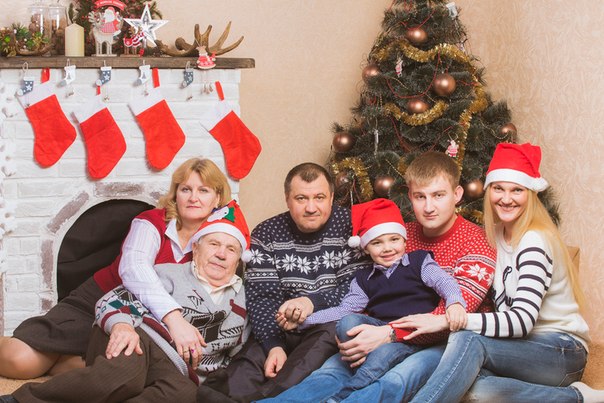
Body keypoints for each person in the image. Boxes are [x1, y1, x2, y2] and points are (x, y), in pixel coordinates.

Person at [264, 151, 497, 402]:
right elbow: (371, 289)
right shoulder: (397, 234)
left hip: (446, 344)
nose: (429, 207)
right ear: (410, 196)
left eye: (438, 195)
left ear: (457, 194)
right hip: (381, 333)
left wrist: (388, 333)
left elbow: (454, 314)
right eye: (420, 197)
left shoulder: (478, 242)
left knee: (396, 379)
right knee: (330, 373)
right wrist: (357, 332)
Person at [0, 157, 231, 379]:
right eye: (186, 189)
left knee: (123, 373)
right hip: (98, 302)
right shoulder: (151, 222)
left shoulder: (222, 240)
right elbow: (134, 269)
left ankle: (63, 360)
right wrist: (174, 319)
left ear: (217, 198)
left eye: (203, 190)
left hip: (144, 324)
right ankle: (47, 353)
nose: (193, 198)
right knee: (19, 361)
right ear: (176, 193)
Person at [408, 143, 604, 403]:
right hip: (519, 349)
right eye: (498, 188)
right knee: (473, 388)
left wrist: (448, 320)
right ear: (489, 191)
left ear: (530, 194)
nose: (506, 198)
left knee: (468, 340)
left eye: (517, 190)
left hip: (562, 351)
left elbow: (522, 321)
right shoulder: (496, 234)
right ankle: (575, 397)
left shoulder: (534, 241)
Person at [4, 200, 251, 403]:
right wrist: (122, 325)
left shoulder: (243, 301)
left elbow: (237, 356)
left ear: (239, 259)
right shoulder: (168, 274)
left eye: (231, 249)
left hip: (178, 368)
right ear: (196, 249)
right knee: (124, 376)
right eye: (214, 244)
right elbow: (112, 299)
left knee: (183, 395)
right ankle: (22, 400)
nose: (221, 254)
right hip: (138, 336)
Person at [201, 162, 365, 402]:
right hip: (280, 324)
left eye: (319, 197)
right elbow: (261, 296)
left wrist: (311, 302)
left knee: (312, 353)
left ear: (331, 198)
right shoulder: (267, 232)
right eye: (301, 198)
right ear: (287, 199)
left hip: (327, 324)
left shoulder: (352, 228)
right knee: (246, 367)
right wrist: (273, 345)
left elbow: (358, 287)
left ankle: (266, 399)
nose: (311, 207)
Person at [276, 198, 467, 402]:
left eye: (394, 239)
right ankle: (360, 361)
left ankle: (344, 394)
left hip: (413, 334)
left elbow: (444, 282)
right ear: (366, 248)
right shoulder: (363, 278)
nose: (387, 248)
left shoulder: (418, 262)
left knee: (382, 354)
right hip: (378, 330)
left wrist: (455, 302)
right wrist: (304, 322)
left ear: (404, 241)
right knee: (348, 321)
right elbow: (344, 310)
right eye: (377, 243)